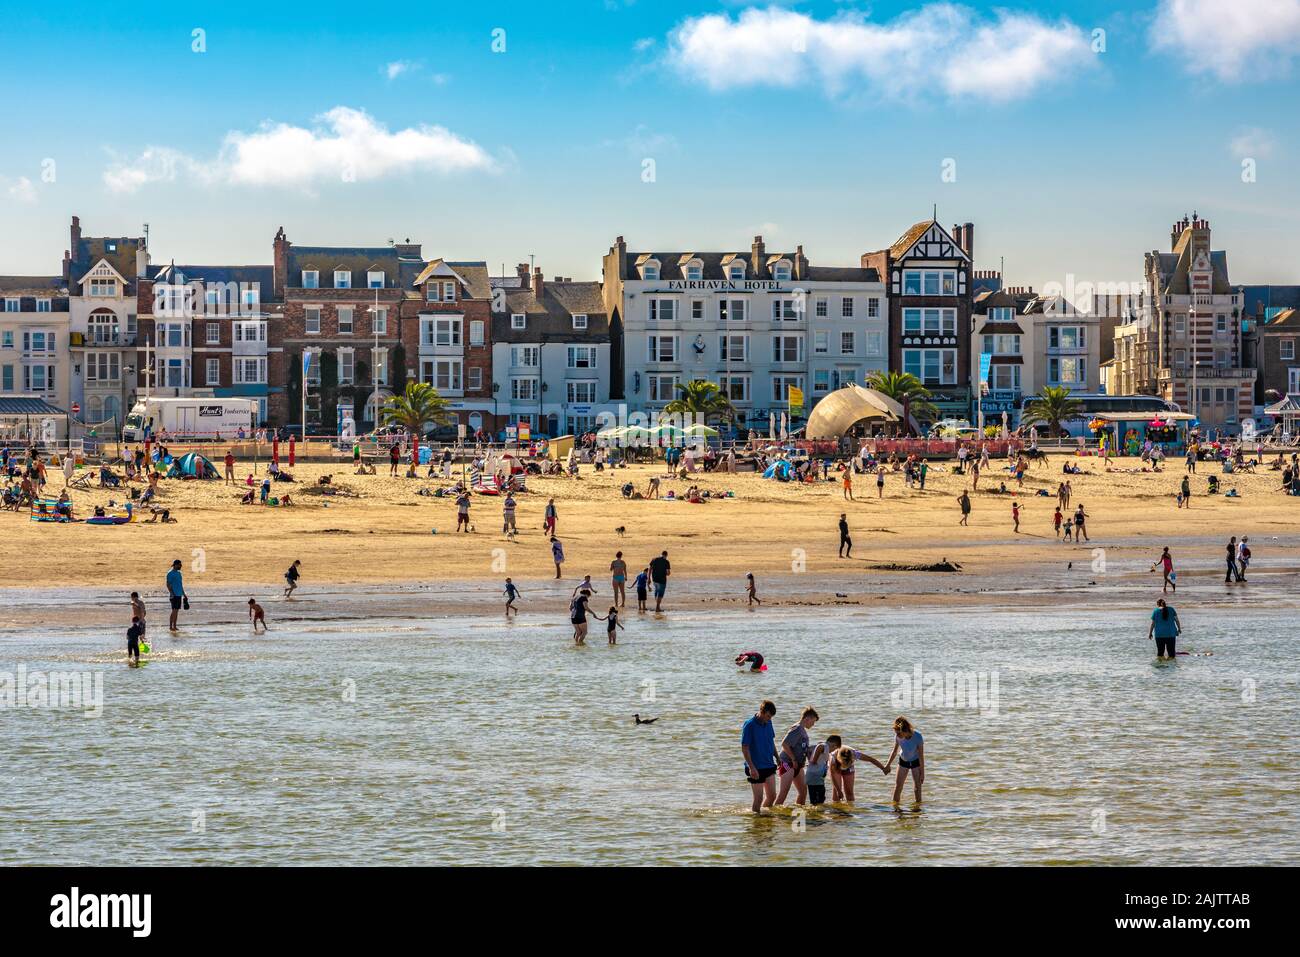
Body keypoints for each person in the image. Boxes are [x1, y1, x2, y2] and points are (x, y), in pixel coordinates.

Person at [775, 706, 819, 806]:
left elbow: (802, 748)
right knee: (783, 793)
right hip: (787, 763)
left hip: (798, 765)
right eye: (813, 721)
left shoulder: (803, 730)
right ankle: (773, 817)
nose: (813, 724)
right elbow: (784, 744)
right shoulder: (797, 728)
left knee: (803, 791)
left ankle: (800, 814)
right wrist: (793, 759)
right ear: (807, 718)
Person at [741, 700, 780, 813]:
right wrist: (752, 767)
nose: (769, 719)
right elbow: (745, 748)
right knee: (758, 799)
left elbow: (771, 742)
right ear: (761, 712)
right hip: (755, 768)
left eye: (771, 717)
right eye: (768, 716)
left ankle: (765, 820)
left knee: (772, 796)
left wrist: (777, 757)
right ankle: (756, 824)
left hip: (768, 764)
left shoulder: (769, 723)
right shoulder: (749, 725)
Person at [884, 716, 925, 805]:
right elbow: (894, 751)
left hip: (915, 762)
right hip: (903, 761)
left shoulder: (918, 736)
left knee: (917, 787)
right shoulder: (898, 737)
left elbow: (921, 756)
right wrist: (888, 765)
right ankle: (895, 808)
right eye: (896, 733)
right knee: (898, 786)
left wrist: (922, 773)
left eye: (899, 733)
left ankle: (917, 811)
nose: (897, 736)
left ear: (906, 730)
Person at [166, 559, 186, 631]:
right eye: (179, 565)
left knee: (176, 611)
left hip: (179, 594)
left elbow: (180, 585)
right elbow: (168, 584)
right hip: (173, 595)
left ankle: (174, 626)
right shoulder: (170, 573)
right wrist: (172, 593)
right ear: (175, 565)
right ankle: (171, 626)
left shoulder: (179, 573)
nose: (181, 566)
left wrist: (184, 594)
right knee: (174, 611)